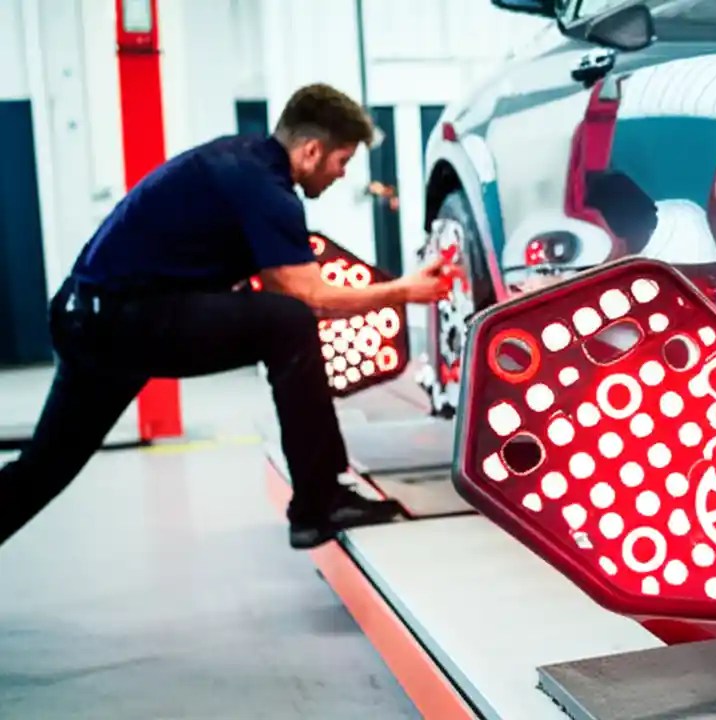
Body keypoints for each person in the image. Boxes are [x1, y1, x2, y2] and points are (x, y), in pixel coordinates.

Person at [0, 83, 456, 551]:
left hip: (87, 317)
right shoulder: (266, 189)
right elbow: (311, 298)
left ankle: (322, 495)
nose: (341, 175)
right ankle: (318, 504)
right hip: (124, 320)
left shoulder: (239, 163)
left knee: (46, 466)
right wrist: (405, 290)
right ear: (312, 150)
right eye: (341, 161)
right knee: (289, 323)